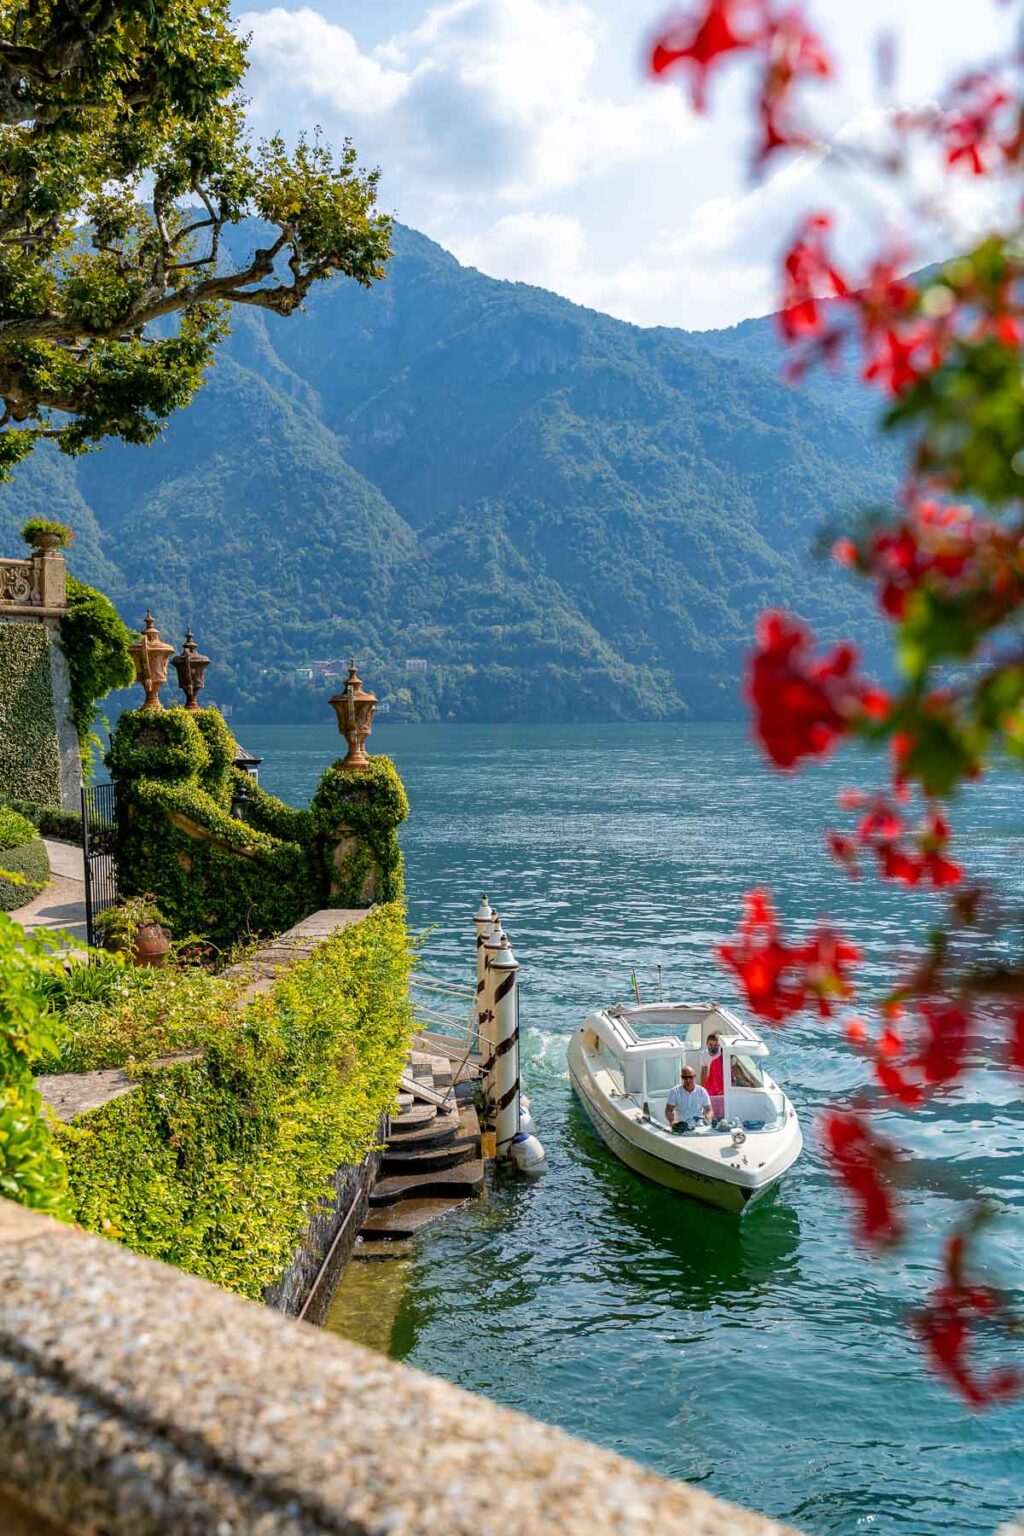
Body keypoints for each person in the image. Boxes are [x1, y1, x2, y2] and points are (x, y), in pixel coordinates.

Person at [665, 1066, 712, 1132]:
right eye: (685, 1077)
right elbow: (668, 1110)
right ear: (682, 1077)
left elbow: (709, 1110)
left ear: (694, 1076)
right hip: (681, 1128)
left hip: (699, 1127)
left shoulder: (702, 1091)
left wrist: (708, 1116)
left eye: (690, 1077)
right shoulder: (674, 1091)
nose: (688, 1080)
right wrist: (672, 1121)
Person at [701, 1032, 725, 1120]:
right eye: (710, 1045)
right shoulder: (704, 1054)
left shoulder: (722, 1053)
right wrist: (702, 1087)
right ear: (707, 1044)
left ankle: (721, 1115)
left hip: (721, 1078)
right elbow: (704, 1071)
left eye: (716, 1045)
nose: (713, 1047)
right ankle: (710, 1115)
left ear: (719, 1045)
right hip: (710, 1079)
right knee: (709, 1098)